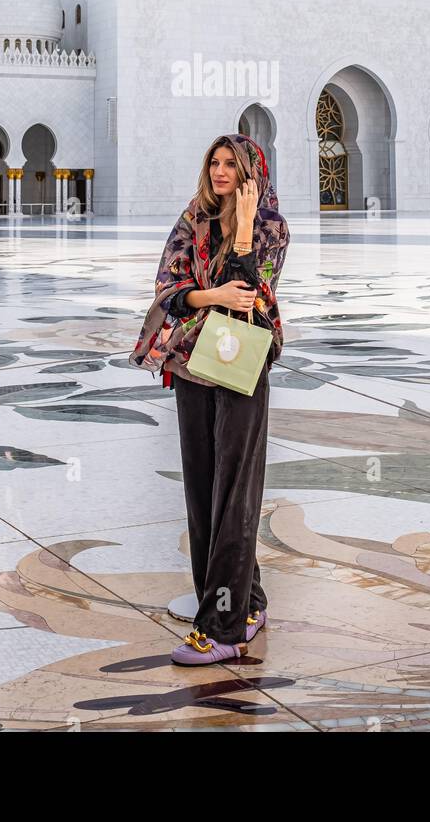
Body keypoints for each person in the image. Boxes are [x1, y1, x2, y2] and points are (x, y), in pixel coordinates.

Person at [132, 132, 290, 666]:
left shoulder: (270, 227)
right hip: (192, 367)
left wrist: (242, 235)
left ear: (250, 172)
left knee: (235, 494)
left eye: (231, 164)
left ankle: (222, 627)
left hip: (242, 365)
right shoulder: (192, 219)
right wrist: (211, 295)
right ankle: (246, 601)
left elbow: (249, 301)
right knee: (203, 490)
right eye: (214, 162)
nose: (221, 172)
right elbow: (168, 293)